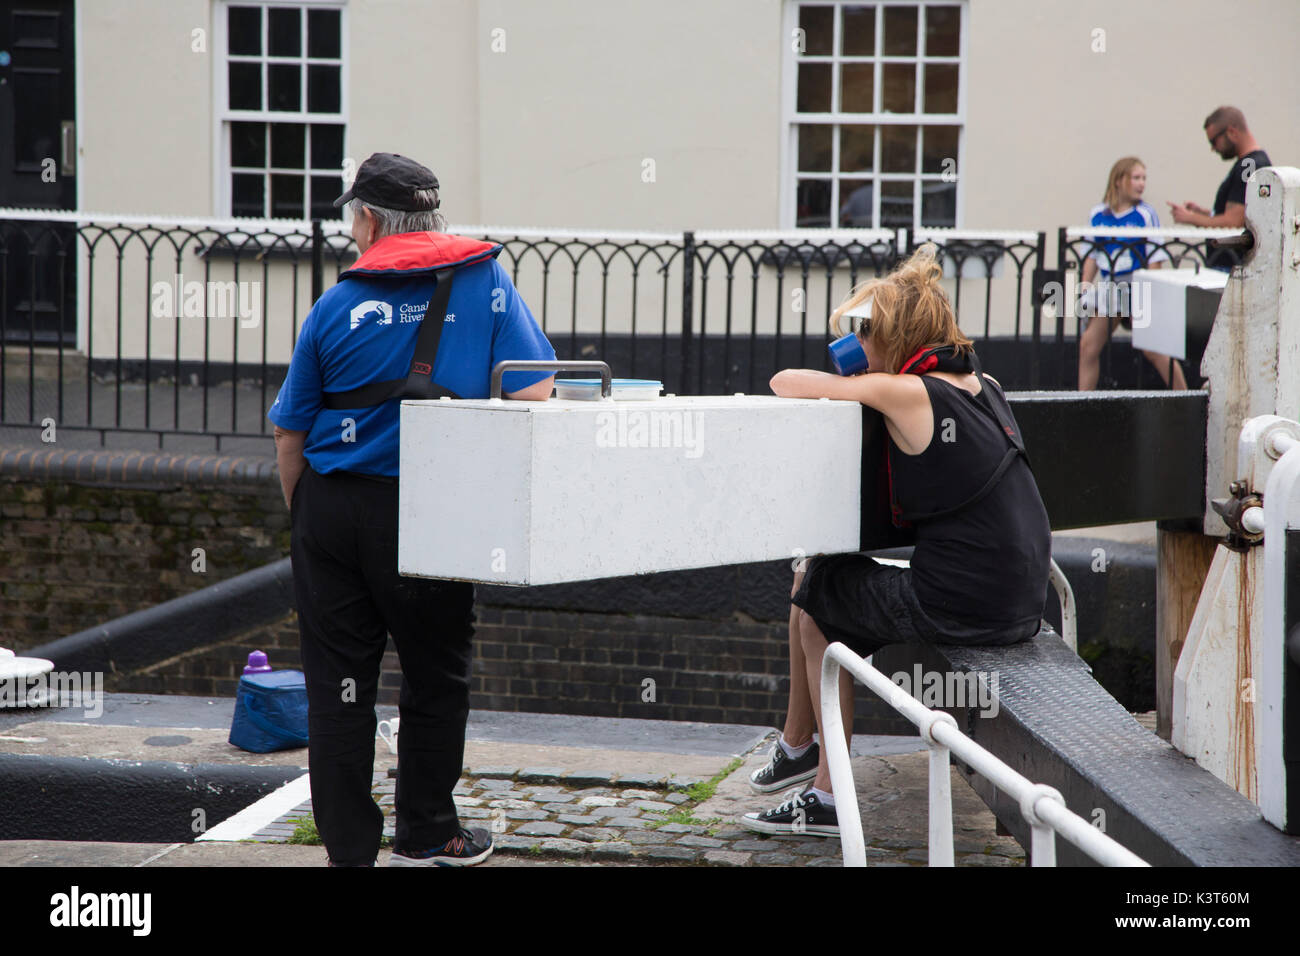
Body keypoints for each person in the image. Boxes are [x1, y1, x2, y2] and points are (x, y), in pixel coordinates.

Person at [267, 152, 557, 867]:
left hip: (334, 513)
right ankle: (428, 830)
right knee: (434, 676)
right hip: (434, 513)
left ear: (368, 219)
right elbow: (534, 394)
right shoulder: (485, 280)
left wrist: (308, 521)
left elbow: (290, 435)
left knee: (339, 690)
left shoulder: (336, 305)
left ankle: (349, 852)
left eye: (352, 218)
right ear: (433, 219)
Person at [742, 244, 1051, 836]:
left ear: (897, 335)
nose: (863, 346)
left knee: (814, 592)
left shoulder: (907, 393)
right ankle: (801, 745)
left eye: (868, 334)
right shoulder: (984, 384)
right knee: (820, 589)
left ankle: (825, 791)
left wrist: (860, 376)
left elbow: (786, 382)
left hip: (961, 607)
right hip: (1021, 604)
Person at [1077, 157, 1185, 391]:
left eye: (1144, 178)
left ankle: (1186, 397)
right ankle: (1081, 403)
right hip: (1110, 287)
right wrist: (1084, 287)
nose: (1141, 184)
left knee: (1153, 348)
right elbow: (1091, 256)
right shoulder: (1098, 214)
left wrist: (1151, 293)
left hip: (1137, 286)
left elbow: (1155, 258)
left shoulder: (1145, 214)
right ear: (1118, 181)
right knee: (1088, 346)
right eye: (1136, 178)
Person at [1167, 105, 1271, 231]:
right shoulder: (1249, 162)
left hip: (1234, 251)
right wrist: (1203, 213)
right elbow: (1236, 215)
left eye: (1213, 142)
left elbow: (1234, 222)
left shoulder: (1249, 164)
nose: (1213, 148)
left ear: (1232, 132)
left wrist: (1191, 217)